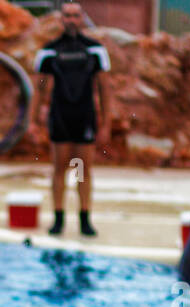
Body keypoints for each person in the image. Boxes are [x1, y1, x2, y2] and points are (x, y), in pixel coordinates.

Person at [32, 2, 110, 237]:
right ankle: (58, 219)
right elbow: (41, 87)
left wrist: (106, 123)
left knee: (83, 170)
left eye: (76, 15)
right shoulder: (50, 50)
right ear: (61, 19)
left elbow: (104, 89)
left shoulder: (95, 49)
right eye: (67, 15)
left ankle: (85, 219)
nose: (71, 20)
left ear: (82, 18)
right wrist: (33, 120)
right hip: (60, 116)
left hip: (85, 116)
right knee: (59, 169)